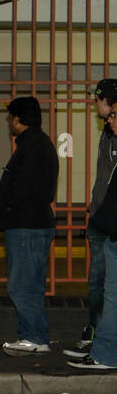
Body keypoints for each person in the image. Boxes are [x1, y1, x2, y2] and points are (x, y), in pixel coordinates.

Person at [0, 96, 59, 357]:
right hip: (35, 223)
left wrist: (6, 208)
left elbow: (23, 188)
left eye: (11, 117)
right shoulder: (40, 143)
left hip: (26, 226)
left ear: (19, 119)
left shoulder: (31, 147)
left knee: (21, 286)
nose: (9, 121)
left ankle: (33, 336)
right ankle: (34, 336)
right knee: (31, 285)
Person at [69, 79, 117, 359]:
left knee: (107, 283)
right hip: (99, 216)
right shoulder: (107, 133)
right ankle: (98, 332)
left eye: (98, 99)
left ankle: (103, 340)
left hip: (109, 220)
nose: (95, 104)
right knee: (98, 281)